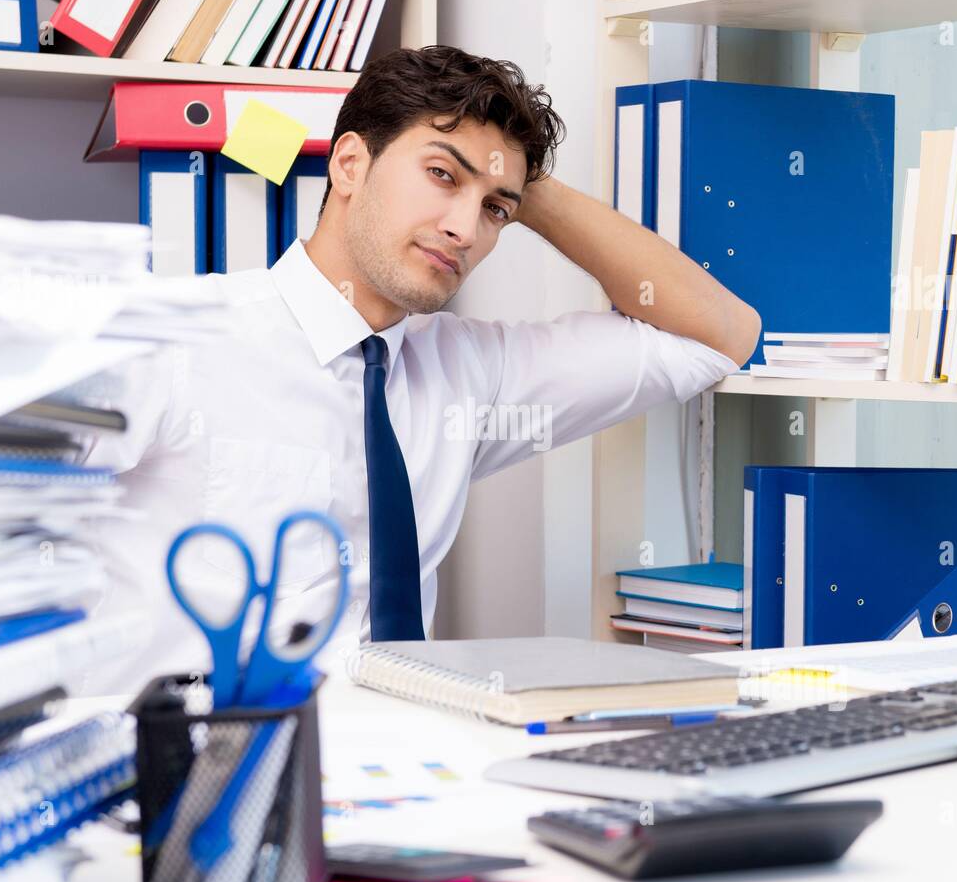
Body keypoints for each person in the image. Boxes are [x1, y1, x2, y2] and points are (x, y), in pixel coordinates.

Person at [82, 44, 759, 696]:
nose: (466, 227)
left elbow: (719, 336)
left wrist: (525, 189)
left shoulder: (472, 373)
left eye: (494, 211)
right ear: (349, 164)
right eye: (442, 174)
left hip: (401, 768)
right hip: (203, 771)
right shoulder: (171, 337)